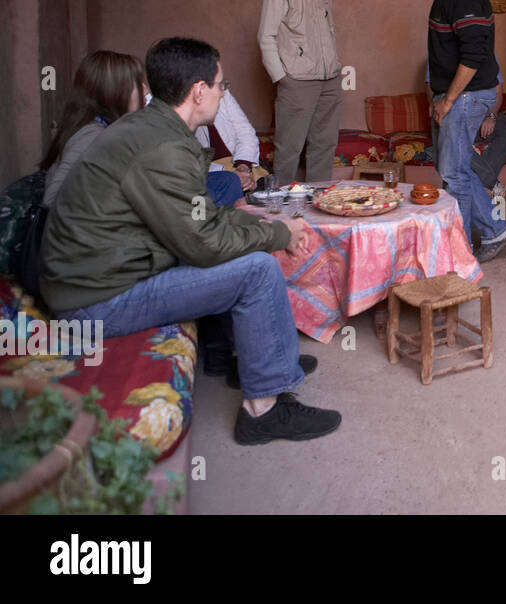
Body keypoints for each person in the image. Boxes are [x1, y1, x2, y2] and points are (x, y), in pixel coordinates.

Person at [40, 37, 340, 445]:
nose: (222, 93)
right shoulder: (163, 146)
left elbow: (197, 218)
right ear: (199, 91)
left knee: (238, 243)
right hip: (94, 301)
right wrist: (278, 234)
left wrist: (261, 225)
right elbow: (202, 242)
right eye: (220, 85)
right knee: (258, 269)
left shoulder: (154, 128)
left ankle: (259, 358)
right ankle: (263, 411)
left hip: (101, 277)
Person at [425, 0, 506, 261]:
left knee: (455, 174)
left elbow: (475, 54)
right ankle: (495, 229)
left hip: (465, 96)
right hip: (465, 95)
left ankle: (459, 253)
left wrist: (448, 100)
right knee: (456, 170)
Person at [257, 0, 342, 186]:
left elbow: (329, 31)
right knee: (289, 148)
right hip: (297, 81)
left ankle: (319, 204)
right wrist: (281, 76)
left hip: (329, 79)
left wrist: (335, 66)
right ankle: (281, 212)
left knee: (324, 146)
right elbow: (265, 37)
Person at [40, 51, 147, 208]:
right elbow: (53, 198)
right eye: (137, 83)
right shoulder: (93, 136)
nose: (145, 89)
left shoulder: (101, 129)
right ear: (114, 91)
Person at [427, 56, 506, 201]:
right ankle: (491, 184)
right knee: (449, 137)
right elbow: (430, 87)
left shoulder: (486, 53)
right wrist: (436, 105)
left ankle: (479, 184)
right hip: (451, 115)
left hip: (479, 115)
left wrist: (491, 116)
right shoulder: (441, 51)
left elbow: (497, 90)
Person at [196, 87, 262, 206]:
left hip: (239, 164)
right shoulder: (178, 103)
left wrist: (243, 167)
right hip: (211, 172)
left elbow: (246, 131)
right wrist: (232, 174)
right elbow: (188, 161)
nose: (222, 91)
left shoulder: (221, 91)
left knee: (270, 195)